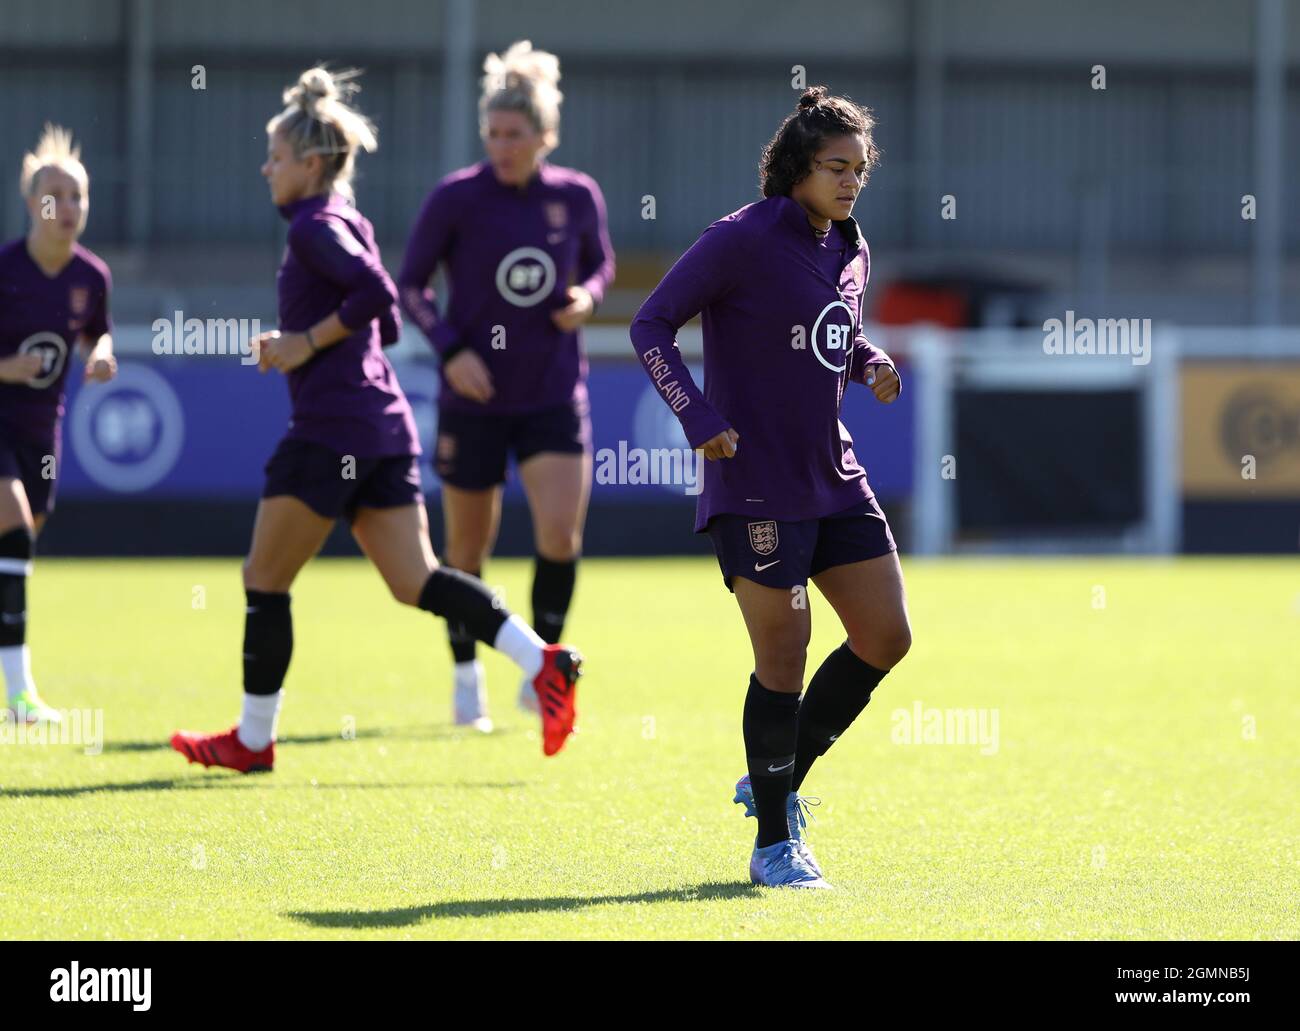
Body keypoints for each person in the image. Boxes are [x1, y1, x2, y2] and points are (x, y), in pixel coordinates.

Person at [170, 67, 582, 772]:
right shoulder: (346, 220)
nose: (265, 168)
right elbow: (386, 316)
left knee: (262, 578)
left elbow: (377, 292)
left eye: (275, 156)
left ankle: (253, 738)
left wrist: (303, 342)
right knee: (416, 579)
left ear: (311, 163)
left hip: (332, 427)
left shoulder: (311, 227)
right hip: (382, 425)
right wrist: (319, 336)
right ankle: (541, 659)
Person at [629, 87, 911, 888]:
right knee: (784, 655)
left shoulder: (851, 246)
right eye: (835, 167)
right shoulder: (739, 240)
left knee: (886, 636)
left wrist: (868, 360)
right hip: (754, 482)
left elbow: (833, 331)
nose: (851, 182)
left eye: (860, 169)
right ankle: (774, 843)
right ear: (796, 169)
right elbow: (651, 324)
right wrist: (695, 415)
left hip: (835, 475)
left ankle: (773, 780)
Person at [398, 41, 614, 732]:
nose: (502, 146)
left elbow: (602, 264)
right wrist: (452, 350)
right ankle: (467, 679)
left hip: (553, 391)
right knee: (465, 550)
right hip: (477, 398)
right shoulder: (457, 197)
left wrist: (588, 294)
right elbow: (409, 286)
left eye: (515, 134)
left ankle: (543, 667)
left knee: (560, 532)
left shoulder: (575, 196)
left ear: (544, 136)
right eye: (492, 134)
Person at [0, 124, 116, 726]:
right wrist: (6, 367)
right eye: (56, 195)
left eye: (79, 196)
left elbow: (97, 330)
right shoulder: (5, 269)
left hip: (41, 426)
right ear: (32, 203)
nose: (68, 207)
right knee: (14, 529)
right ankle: (19, 699)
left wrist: (100, 353)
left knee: (18, 545)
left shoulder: (91, 276)